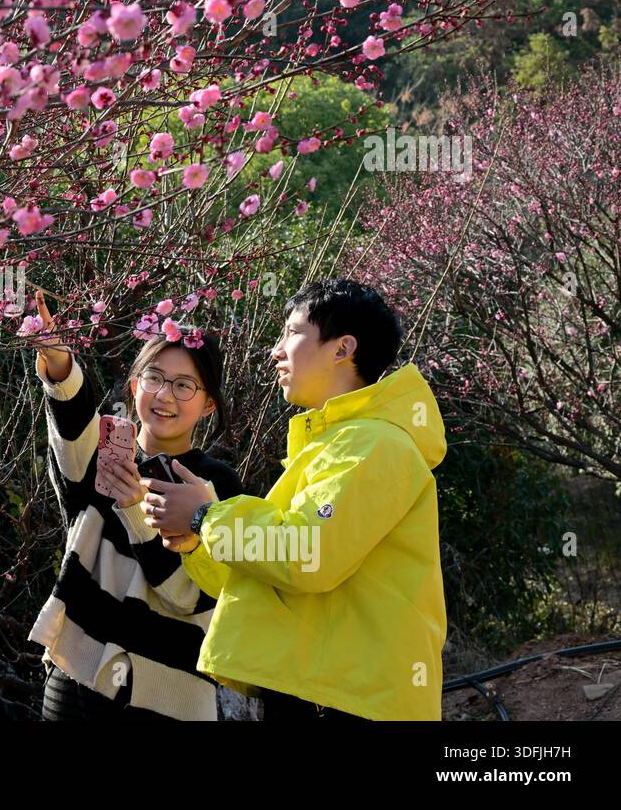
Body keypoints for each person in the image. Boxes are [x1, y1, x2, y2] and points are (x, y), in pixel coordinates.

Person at [142, 278, 447, 720]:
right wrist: (196, 541)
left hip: (349, 700)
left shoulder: (374, 445)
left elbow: (308, 556)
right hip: (324, 689)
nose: (275, 351)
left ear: (342, 349)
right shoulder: (340, 443)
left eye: (291, 333)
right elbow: (267, 581)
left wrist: (205, 516)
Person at [26, 289, 244, 720]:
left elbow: (193, 597)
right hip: (77, 676)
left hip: (168, 696)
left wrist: (134, 508)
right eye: (154, 378)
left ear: (207, 406)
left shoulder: (214, 484)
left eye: (184, 385)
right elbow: (71, 423)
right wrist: (59, 362)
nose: (164, 396)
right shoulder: (101, 456)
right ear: (134, 385)